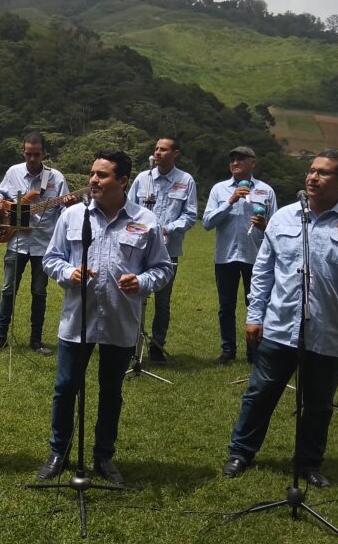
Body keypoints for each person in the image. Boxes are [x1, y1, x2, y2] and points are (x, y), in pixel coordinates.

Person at [222, 149, 338, 488]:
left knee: (318, 405)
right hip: (280, 327)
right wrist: (255, 317)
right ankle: (241, 452)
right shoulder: (284, 217)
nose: (313, 178)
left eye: (323, 173)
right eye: (311, 171)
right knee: (260, 393)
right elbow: (264, 271)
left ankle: (310, 462)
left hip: (328, 332)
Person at [38, 150, 174, 485]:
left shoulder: (146, 221)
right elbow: (50, 258)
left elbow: (163, 268)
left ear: (123, 180)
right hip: (77, 320)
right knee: (66, 387)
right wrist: (69, 272)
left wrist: (141, 281)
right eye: (92, 174)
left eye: (102, 175)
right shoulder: (72, 216)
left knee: (111, 390)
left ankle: (103, 456)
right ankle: (59, 452)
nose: (93, 180)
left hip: (119, 321)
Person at [0, 132, 70, 356]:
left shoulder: (56, 178)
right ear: (24, 152)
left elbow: (65, 212)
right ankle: (0, 337)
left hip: (44, 245)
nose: (32, 159)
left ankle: (36, 340)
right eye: (28, 154)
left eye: (37, 154)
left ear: (44, 153)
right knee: (8, 290)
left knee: (39, 292)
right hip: (16, 241)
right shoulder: (14, 172)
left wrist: (69, 205)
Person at [202, 146, 278, 365]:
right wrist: (230, 201)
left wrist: (264, 226)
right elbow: (207, 222)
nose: (235, 163)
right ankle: (228, 350)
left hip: (256, 257)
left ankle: (254, 352)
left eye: (241, 159)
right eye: (232, 159)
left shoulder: (266, 191)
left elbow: (275, 229)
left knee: (255, 303)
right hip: (225, 256)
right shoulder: (220, 189)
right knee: (226, 307)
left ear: (252, 163)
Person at [125, 137, 196, 363]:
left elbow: (190, 214)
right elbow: (128, 209)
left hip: (168, 250)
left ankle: (156, 344)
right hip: (138, 248)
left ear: (175, 154)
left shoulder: (186, 180)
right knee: (133, 295)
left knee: (162, 301)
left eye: (163, 149)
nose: (157, 153)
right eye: (156, 149)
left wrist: (167, 229)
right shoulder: (142, 178)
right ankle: (130, 343)